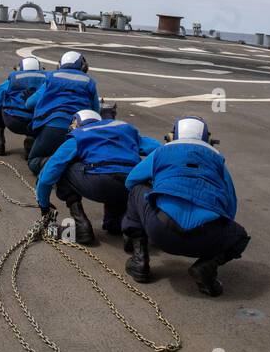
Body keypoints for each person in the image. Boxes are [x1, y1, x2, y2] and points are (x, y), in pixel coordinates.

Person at [122, 116, 250, 297]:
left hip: (161, 232)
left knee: (137, 190)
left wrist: (158, 186)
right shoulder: (218, 160)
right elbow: (230, 205)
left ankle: (140, 259)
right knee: (240, 236)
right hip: (207, 238)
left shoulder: (161, 153)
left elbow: (131, 180)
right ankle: (208, 265)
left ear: (172, 135)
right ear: (207, 138)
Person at [35, 109, 161, 244]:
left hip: (99, 182)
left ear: (77, 122)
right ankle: (125, 226)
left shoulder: (79, 134)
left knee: (63, 169)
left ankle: (81, 227)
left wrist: (44, 205)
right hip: (130, 184)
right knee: (119, 174)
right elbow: (158, 148)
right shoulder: (124, 129)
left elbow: (49, 172)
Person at [23, 51, 100, 175]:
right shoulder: (89, 82)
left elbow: (30, 104)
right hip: (77, 131)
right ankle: (69, 168)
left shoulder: (52, 77)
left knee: (33, 161)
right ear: (84, 67)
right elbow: (96, 113)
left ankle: (49, 164)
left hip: (52, 126)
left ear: (60, 65)